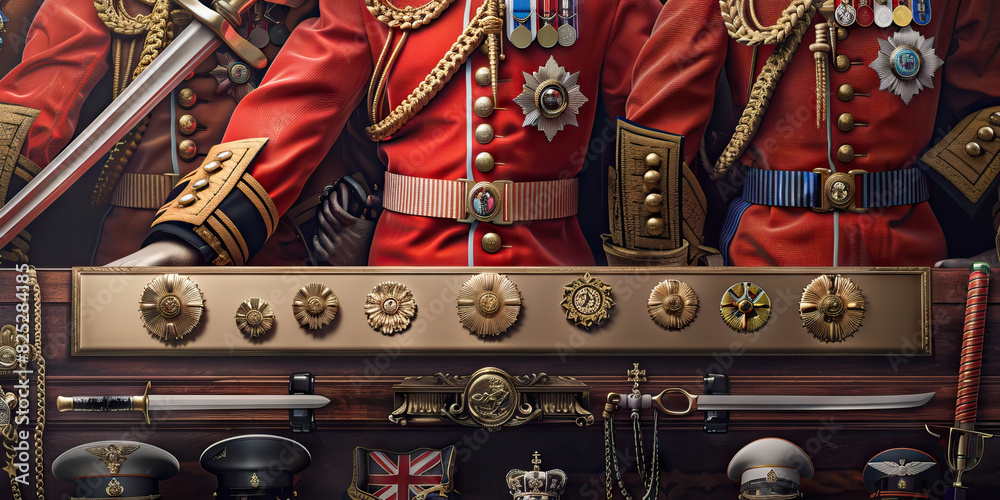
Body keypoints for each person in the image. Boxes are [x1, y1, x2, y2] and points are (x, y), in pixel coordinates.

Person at [110, 0, 662, 267]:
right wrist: (188, 240)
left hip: (553, 269)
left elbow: (653, 121)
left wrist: (658, 261)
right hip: (402, 278)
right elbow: (301, 103)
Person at [621, 0, 1000, 267]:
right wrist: (659, 270)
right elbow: (656, 135)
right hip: (762, 252)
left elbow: (988, 107)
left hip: (912, 252)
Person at [0, 0, 359, 266]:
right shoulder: (104, 5)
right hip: (132, 241)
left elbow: (319, 105)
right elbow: (37, 114)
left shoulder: (308, 9)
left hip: (259, 239)